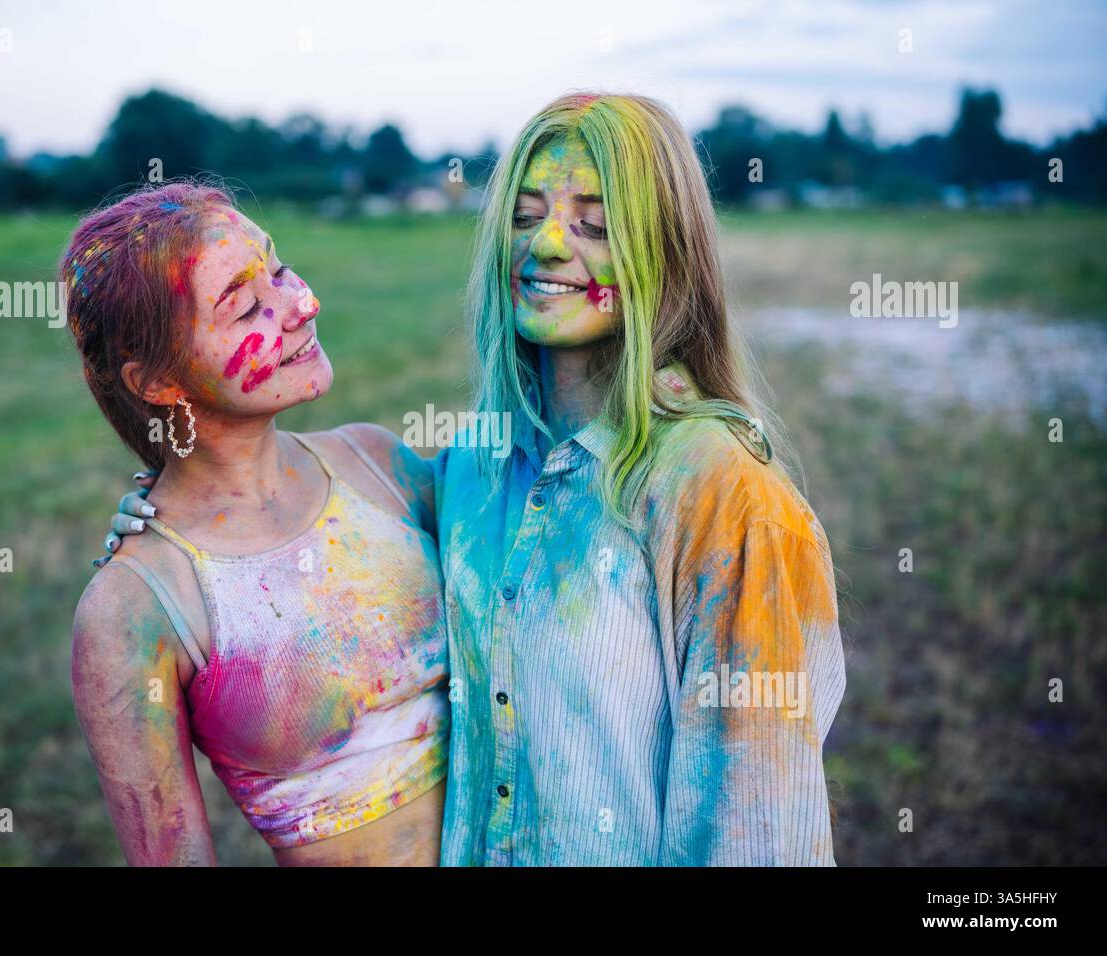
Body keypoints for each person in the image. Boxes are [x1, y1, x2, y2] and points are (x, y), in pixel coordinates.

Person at [105, 92, 846, 866]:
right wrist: (174, 506)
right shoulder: (471, 473)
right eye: (526, 217)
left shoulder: (728, 499)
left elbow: (760, 836)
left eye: (595, 225)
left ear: (668, 252)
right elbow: (319, 533)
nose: (550, 244)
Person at [63, 182, 449, 866]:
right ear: (155, 381)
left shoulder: (379, 462)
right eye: (244, 306)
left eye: (278, 270)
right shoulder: (135, 607)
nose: (303, 305)